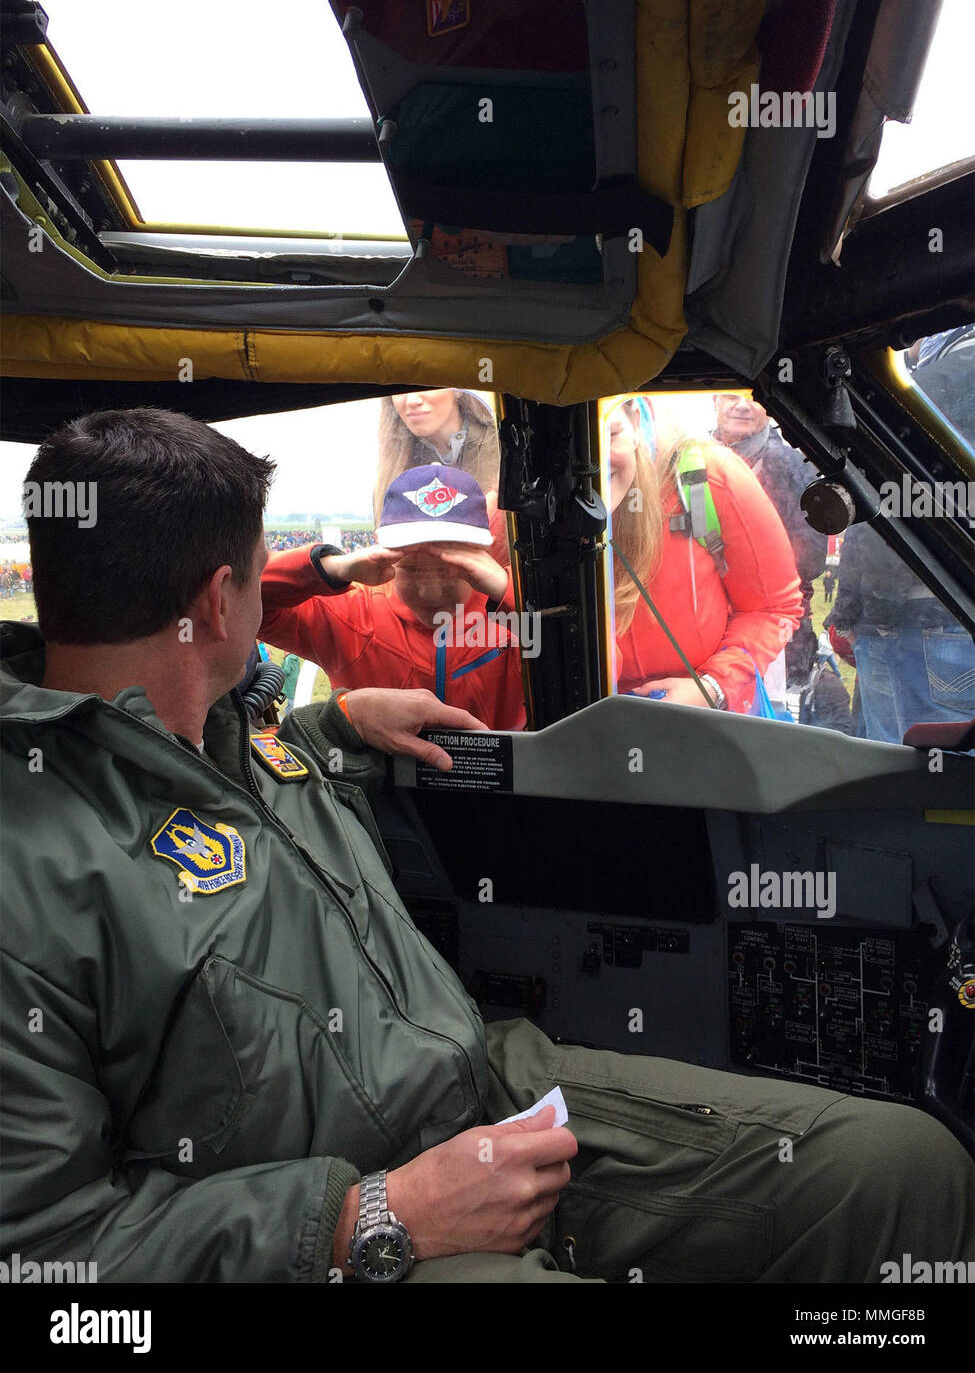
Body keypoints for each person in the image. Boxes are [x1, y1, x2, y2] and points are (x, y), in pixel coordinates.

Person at [2, 407, 971, 1286]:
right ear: (219, 603)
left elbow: (206, 799)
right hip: (337, 1224)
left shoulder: (234, 730)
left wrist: (334, 726)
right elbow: (42, 1264)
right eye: (262, 573)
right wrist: (362, 1220)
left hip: (488, 1086)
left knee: (901, 1173)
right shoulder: (27, 866)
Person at [260, 465, 526, 731]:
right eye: (410, 570)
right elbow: (245, 603)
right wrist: (331, 567)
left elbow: (564, 652)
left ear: (484, 553)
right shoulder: (352, 613)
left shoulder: (516, 615)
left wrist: (509, 590)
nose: (429, 593)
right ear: (381, 549)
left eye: (451, 570)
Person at [606, 397, 804, 713]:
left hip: (694, 724)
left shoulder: (708, 476)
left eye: (610, 435)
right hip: (579, 727)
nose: (594, 461)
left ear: (634, 417)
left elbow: (773, 606)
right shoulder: (526, 498)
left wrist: (714, 687)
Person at [711, 391, 826, 692]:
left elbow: (812, 555)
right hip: (705, 631)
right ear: (715, 402)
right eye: (730, 396)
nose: (741, 405)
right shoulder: (687, 464)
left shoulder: (793, 466)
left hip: (778, 636)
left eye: (752, 397)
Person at [826, 522, 975, 744]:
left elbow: (865, 523)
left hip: (910, 618)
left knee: (895, 755)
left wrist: (847, 616)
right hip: (935, 614)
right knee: (946, 758)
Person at [374, 387, 509, 565]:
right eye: (399, 387)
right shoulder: (391, 466)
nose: (412, 399)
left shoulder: (503, 450)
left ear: (458, 389)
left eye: (426, 384)